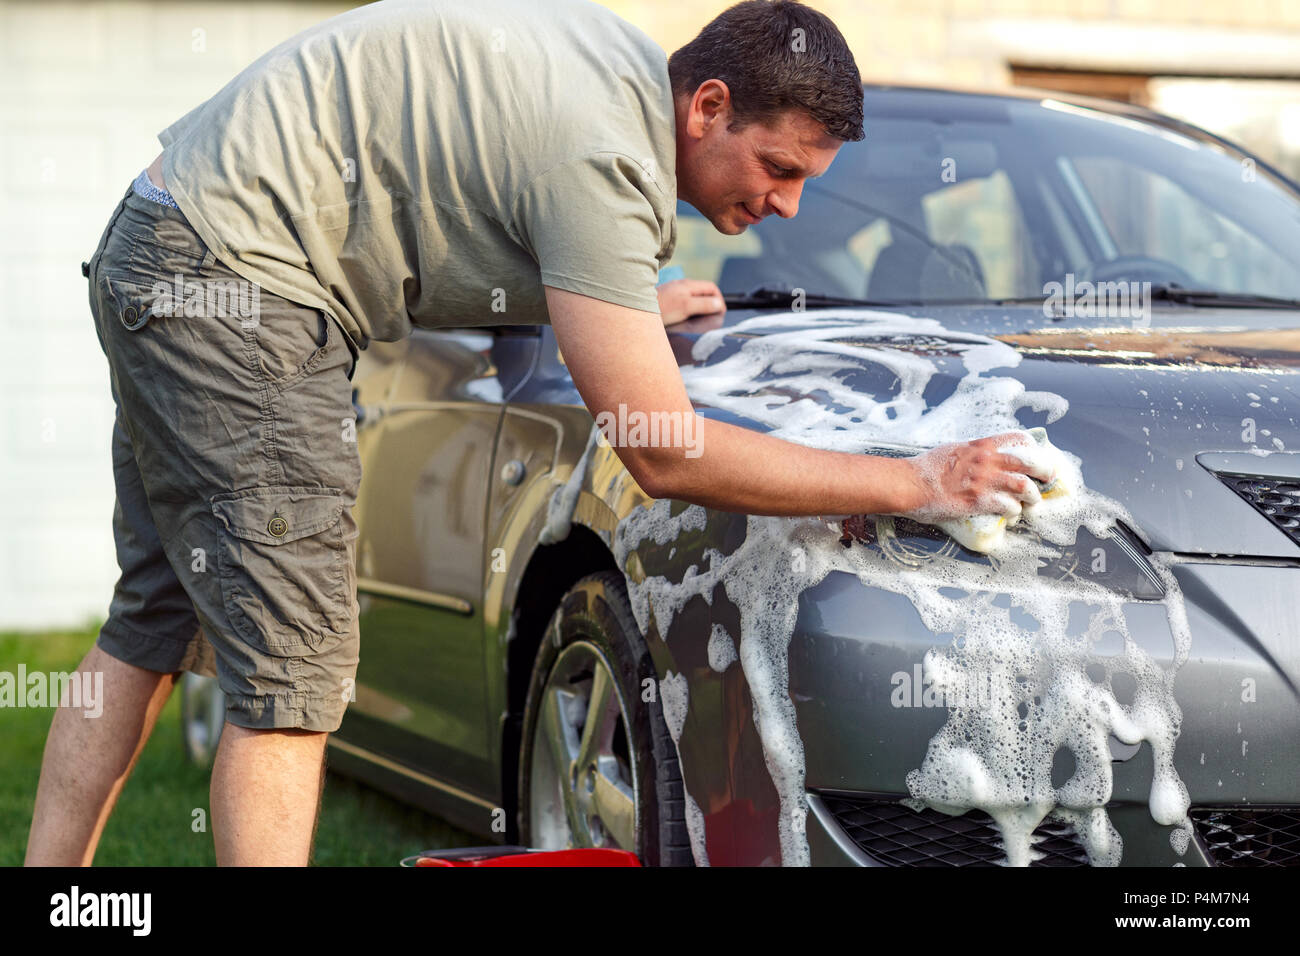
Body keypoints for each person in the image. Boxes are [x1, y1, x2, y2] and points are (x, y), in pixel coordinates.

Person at [26, 0, 1048, 866]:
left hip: (166, 237)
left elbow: (480, 191)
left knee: (152, 619)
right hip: (240, 279)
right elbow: (662, 448)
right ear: (707, 107)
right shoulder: (607, 158)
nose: (782, 203)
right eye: (777, 167)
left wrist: (621, 301)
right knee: (295, 676)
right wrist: (914, 480)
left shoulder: (604, 73)